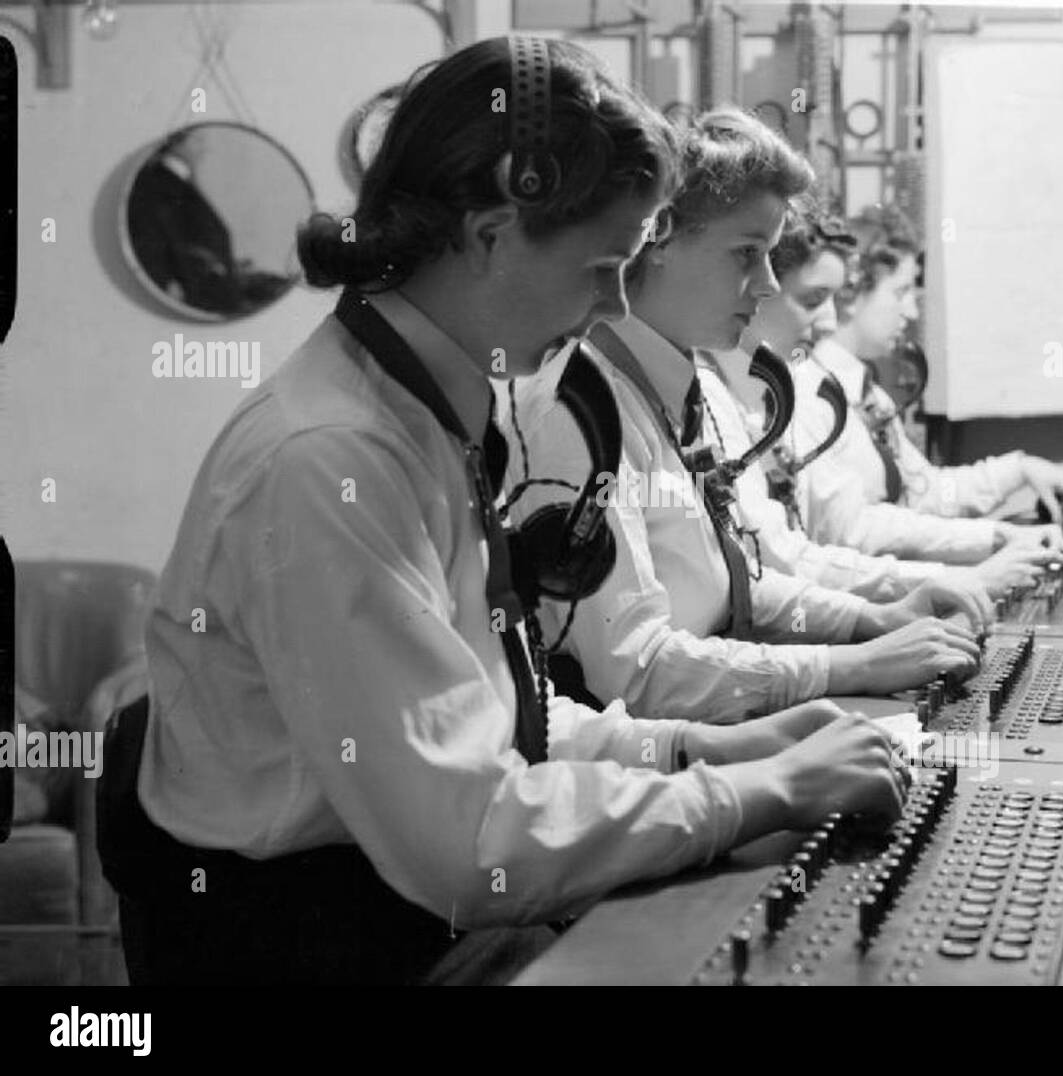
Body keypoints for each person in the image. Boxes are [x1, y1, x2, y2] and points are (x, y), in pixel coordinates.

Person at [102, 38, 916, 986]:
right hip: (326, 946)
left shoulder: (421, 404)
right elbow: (472, 841)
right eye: (603, 265)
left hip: (393, 902)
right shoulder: (329, 462)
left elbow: (494, 723)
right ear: (490, 237)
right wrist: (755, 792)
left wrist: (708, 747)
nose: (616, 301)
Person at [504, 108, 983, 725]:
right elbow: (639, 671)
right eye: (746, 254)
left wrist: (875, 620)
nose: (764, 285)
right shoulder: (582, 413)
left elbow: (738, 582)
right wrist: (853, 666)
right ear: (658, 242)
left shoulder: (680, 384)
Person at [699, 195, 1063, 602]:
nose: (910, 312)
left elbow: (919, 488)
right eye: (901, 292)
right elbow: (845, 532)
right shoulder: (789, 392)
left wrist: (1010, 485)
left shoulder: (844, 389)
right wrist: (962, 568)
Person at [793, 204, 1063, 554]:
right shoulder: (811, 396)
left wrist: (1018, 469)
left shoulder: (867, 394)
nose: (911, 311)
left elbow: (925, 492)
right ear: (850, 294)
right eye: (900, 292)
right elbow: (854, 531)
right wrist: (993, 537)